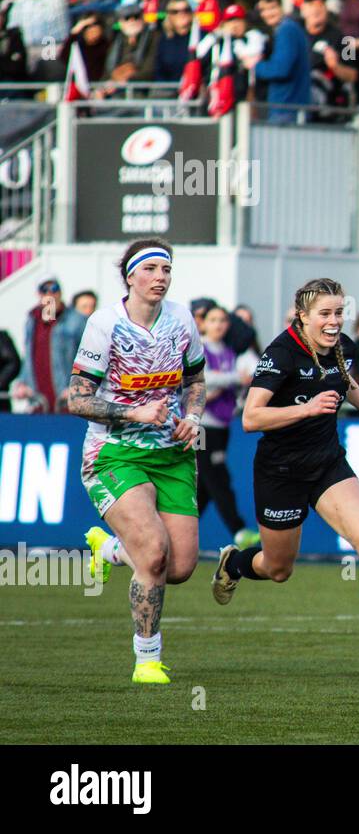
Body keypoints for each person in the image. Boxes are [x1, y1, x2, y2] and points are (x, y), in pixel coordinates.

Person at [210, 277, 359, 672]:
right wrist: (307, 408)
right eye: (325, 314)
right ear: (303, 317)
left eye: (338, 313)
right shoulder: (280, 354)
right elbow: (251, 417)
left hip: (327, 464)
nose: (334, 322)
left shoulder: (339, 347)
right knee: (278, 569)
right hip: (280, 471)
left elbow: (346, 384)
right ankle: (236, 565)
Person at [73, 240, 206, 686]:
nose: (161, 277)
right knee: (152, 552)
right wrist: (134, 412)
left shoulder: (182, 319)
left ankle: (107, 547)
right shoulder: (105, 324)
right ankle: (147, 659)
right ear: (130, 277)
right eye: (150, 268)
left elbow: (196, 380)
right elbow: (76, 399)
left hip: (171, 453)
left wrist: (192, 417)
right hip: (114, 452)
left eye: (167, 269)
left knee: (181, 566)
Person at [196, 303, 259, 550]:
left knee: (205, 483)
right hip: (200, 425)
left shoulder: (231, 351)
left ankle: (176, 532)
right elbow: (202, 378)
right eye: (213, 320)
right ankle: (239, 530)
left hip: (221, 424)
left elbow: (251, 371)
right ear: (204, 323)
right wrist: (233, 378)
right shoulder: (199, 347)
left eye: (222, 320)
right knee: (216, 475)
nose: (218, 325)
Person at [13, 275, 85, 414]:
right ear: (38, 294)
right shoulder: (32, 321)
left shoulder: (76, 320)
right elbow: (29, 356)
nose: (50, 294)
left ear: (61, 292)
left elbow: (93, 357)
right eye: (44, 289)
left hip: (67, 403)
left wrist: (78, 387)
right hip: (39, 403)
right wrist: (22, 382)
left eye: (54, 289)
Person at [244, 0, 310, 119]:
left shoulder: (286, 30)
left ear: (282, 7)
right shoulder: (289, 29)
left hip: (287, 110)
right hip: (289, 109)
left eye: (272, 8)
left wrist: (255, 65)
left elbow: (281, 69)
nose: (268, 13)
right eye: (263, 10)